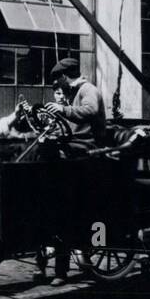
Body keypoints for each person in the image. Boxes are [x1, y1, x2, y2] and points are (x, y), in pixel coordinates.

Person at [44, 56, 108, 284]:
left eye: (58, 78)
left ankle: (69, 264)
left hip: (89, 151)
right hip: (76, 147)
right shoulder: (75, 91)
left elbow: (90, 110)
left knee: (70, 207)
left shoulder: (88, 89)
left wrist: (63, 109)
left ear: (64, 75)